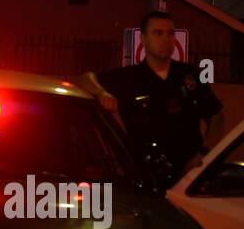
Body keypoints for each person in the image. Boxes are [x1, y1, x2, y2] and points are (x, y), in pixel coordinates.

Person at [79, 11, 225, 187]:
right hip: (146, 178)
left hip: (190, 176)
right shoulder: (129, 77)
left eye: (170, 33)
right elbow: (86, 79)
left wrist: (204, 154)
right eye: (158, 33)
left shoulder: (189, 76)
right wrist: (103, 93)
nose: (166, 39)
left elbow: (216, 116)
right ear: (144, 38)